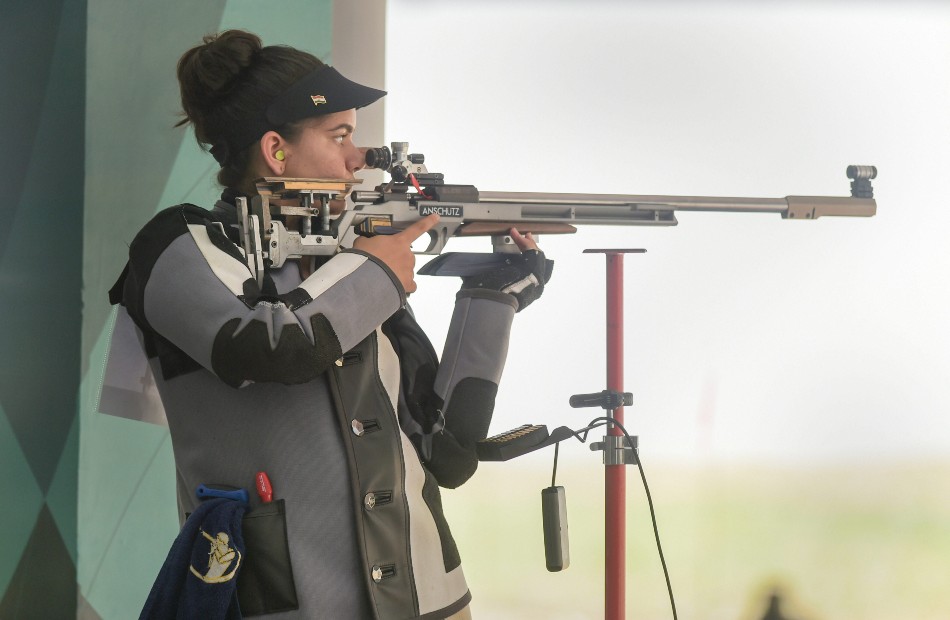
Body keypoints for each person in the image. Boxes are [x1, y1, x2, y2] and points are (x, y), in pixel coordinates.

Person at [106, 29, 552, 619]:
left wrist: (494, 297)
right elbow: (267, 346)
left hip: (431, 602)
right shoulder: (177, 245)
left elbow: (447, 452)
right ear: (276, 150)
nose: (358, 158)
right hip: (286, 602)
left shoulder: (347, 267)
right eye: (339, 135)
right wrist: (375, 270)